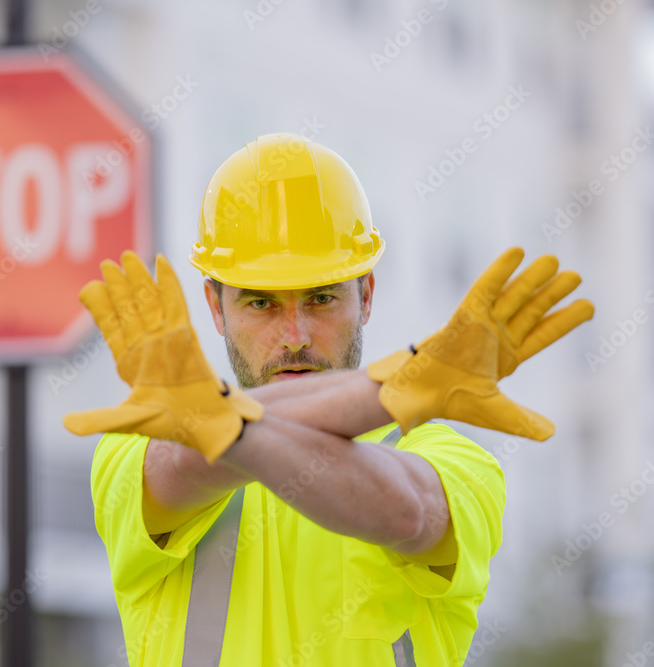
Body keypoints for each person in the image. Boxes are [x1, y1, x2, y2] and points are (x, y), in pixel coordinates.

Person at [64, 133, 594, 666]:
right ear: (216, 307)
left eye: (321, 298)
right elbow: (183, 462)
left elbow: (409, 513)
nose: (294, 335)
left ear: (365, 295)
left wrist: (222, 421)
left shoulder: (447, 456)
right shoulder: (148, 437)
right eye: (261, 303)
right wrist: (393, 389)